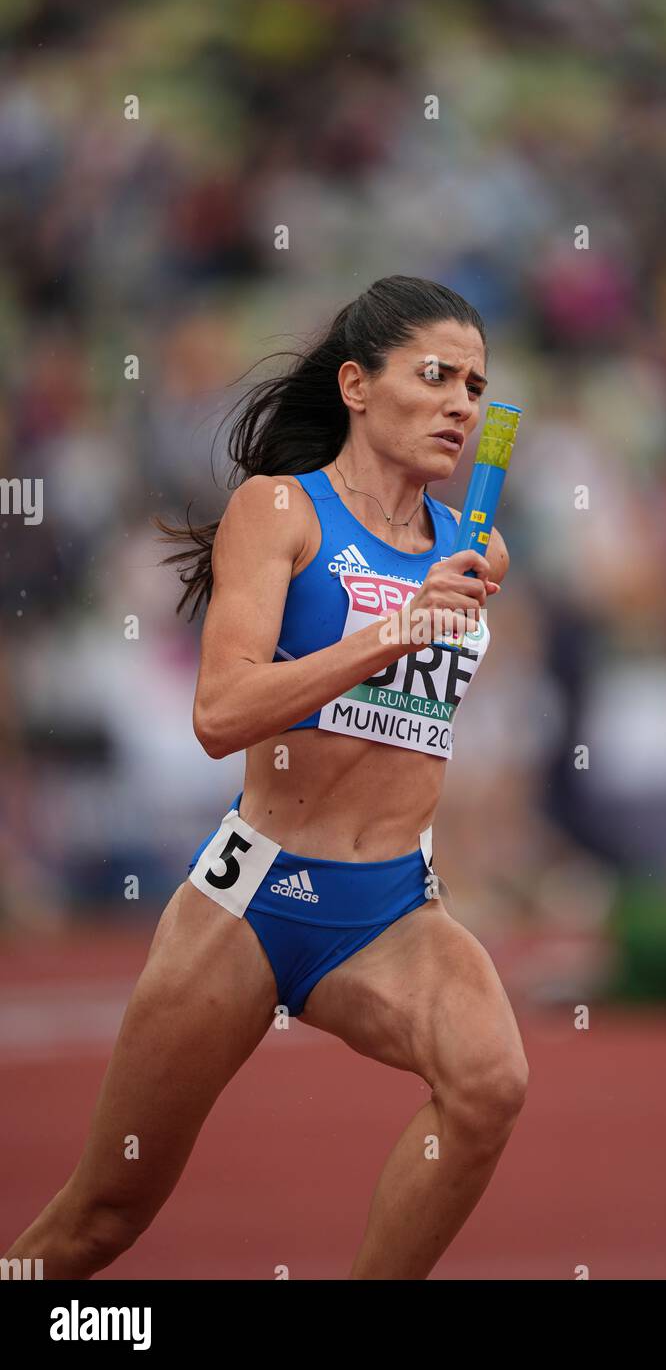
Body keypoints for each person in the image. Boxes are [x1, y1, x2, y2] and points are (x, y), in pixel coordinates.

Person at [3, 275, 528, 1281]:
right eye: (434, 375)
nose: (463, 402)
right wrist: (394, 632)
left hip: (391, 908)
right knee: (98, 1219)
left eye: (475, 383)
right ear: (356, 386)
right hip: (249, 902)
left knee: (489, 1083)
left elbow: (421, 728)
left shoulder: (476, 549)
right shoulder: (279, 510)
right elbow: (220, 714)